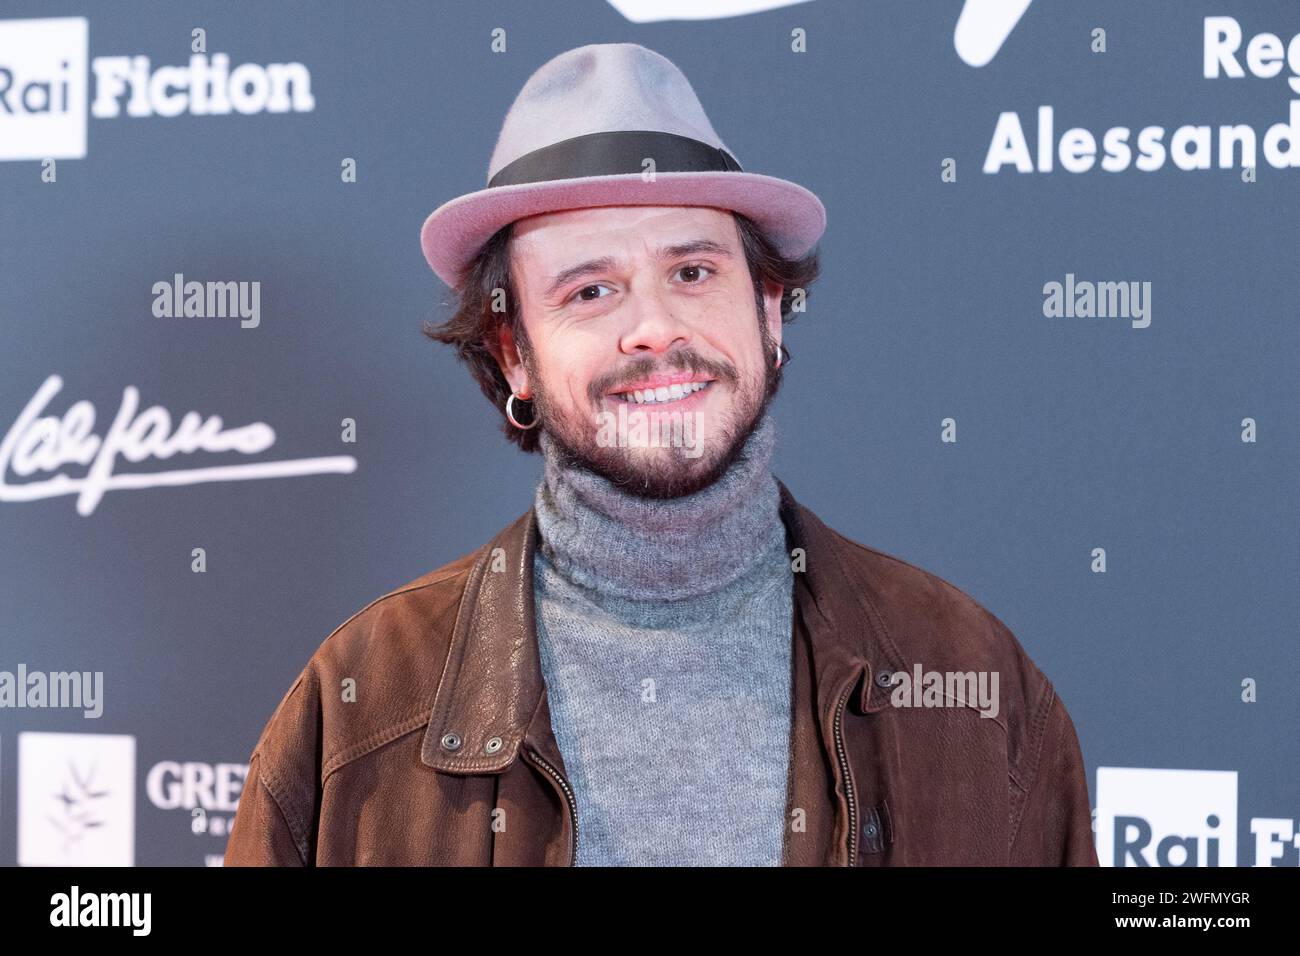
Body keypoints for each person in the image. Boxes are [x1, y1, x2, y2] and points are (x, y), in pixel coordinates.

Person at [224, 42, 1097, 866]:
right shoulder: (359, 708)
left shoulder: (970, 683)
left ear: (768, 310)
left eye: (692, 272)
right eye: (591, 289)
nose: (654, 329)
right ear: (513, 352)